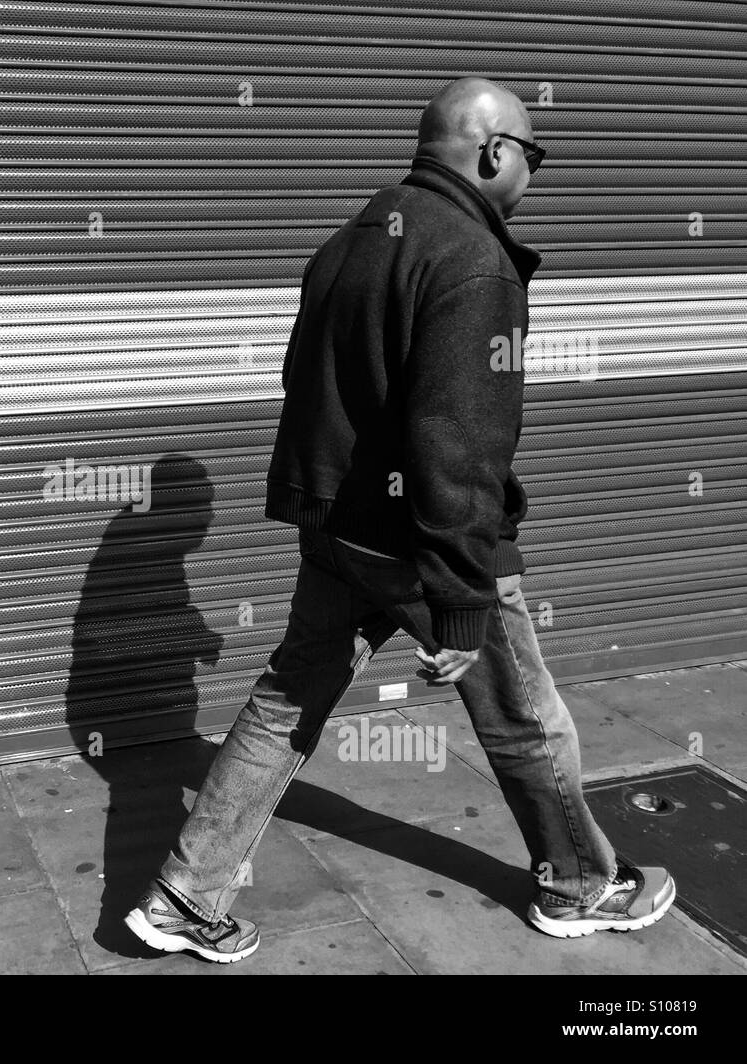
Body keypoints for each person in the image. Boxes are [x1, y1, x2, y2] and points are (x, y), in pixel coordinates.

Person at [124, 77, 675, 963]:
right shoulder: (471, 259)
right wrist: (461, 596)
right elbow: (457, 446)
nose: (533, 173)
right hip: (425, 540)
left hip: (343, 527)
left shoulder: (351, 239)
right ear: (492, 150)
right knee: (525, 717)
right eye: (531, 155)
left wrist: (326, 508)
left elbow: (303, 389)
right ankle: (580, 886)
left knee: (284, 703)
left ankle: (185, 896)